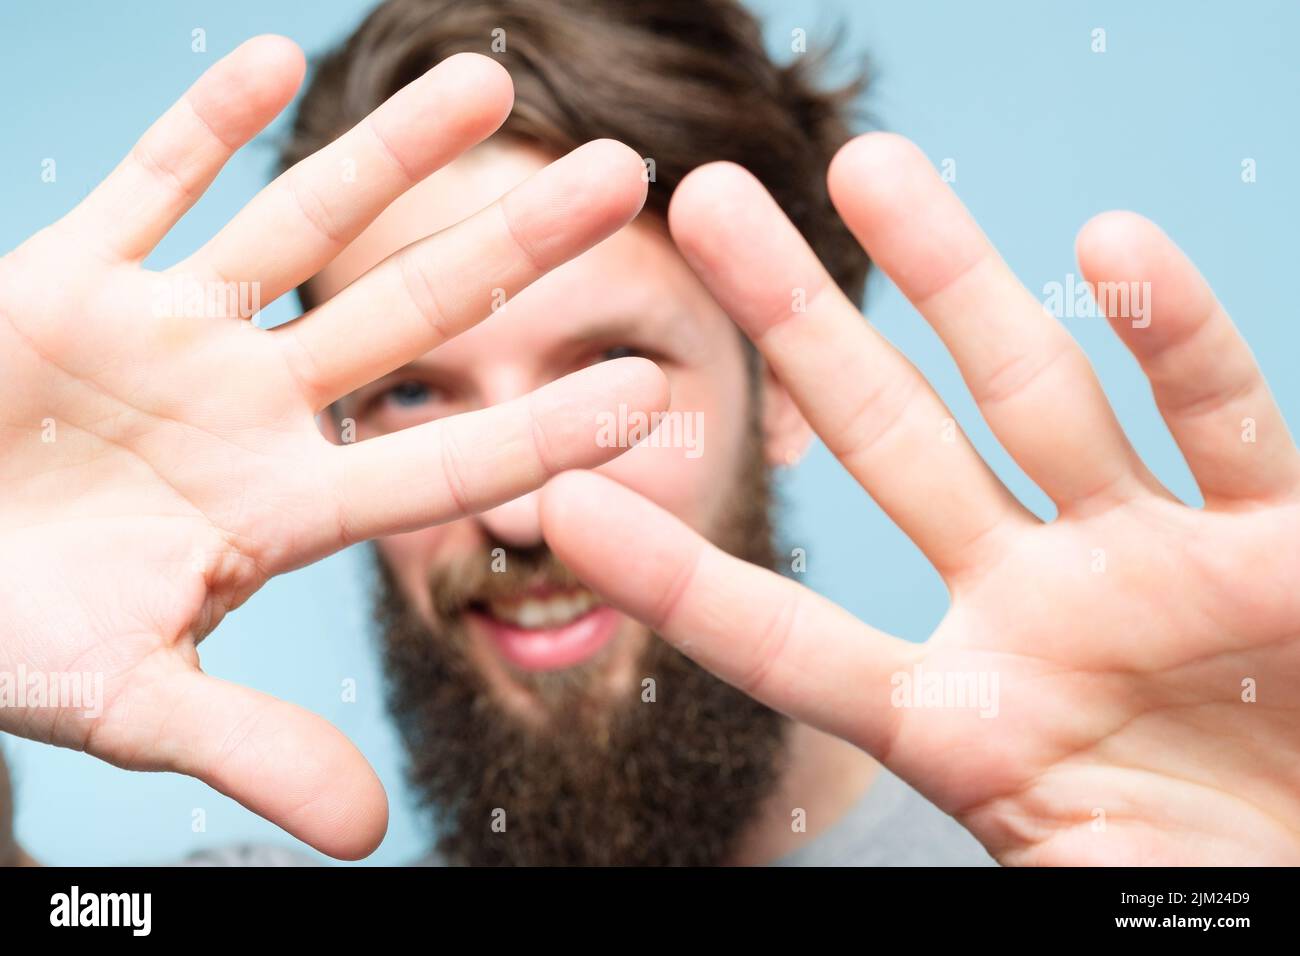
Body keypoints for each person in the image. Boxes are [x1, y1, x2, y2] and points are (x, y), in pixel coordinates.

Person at [2, 0, 1297, 867]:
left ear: (789, 389)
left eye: (613, 377)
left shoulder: (1136, 847)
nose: (519, 508)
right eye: (408, 392)